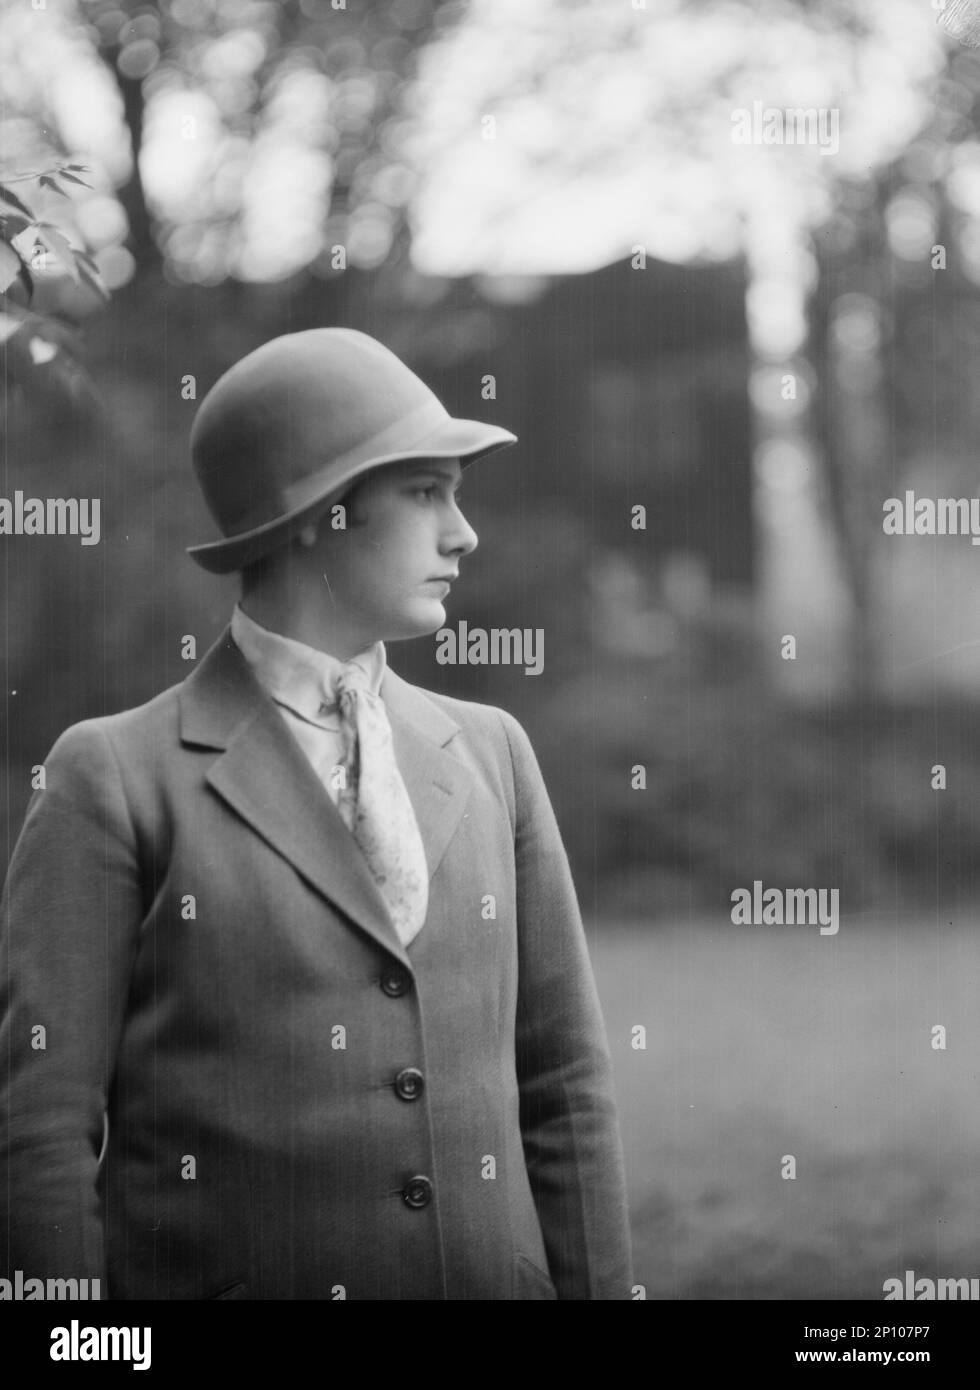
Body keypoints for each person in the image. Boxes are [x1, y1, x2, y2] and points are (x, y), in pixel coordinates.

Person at [0, 327, 634, 1300]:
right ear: (316, 517)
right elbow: (40, 1131)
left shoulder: (494, 749)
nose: (462, 532)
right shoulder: (112, 775)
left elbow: (564, 1088)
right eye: (426, 492)